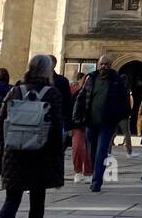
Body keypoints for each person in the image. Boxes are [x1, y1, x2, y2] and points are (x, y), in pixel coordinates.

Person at [0, 52, 64, 218]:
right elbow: (57, 130)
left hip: (15, 155)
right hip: (40, 156)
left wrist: (9, 147)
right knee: (37, 203)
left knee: (11, 201)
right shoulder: (51, 94)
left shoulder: (15, 91)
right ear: (46, 71)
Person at [71, 53, 131, 192]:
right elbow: (81, 97)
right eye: (102, 64)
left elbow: (124, 102)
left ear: (111, 66)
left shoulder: (116, 80)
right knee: (92, 152)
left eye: (107, 64)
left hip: (107, 123)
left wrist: (117, 116)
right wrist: (77, 115)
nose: (104, 67)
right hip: (91, 121)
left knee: (101, 151)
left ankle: (96, 181)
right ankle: (94, 174)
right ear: (98, 65)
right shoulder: (91, 78)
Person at [69, 72, 92, 182]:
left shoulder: (96, 95)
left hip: (92, 125)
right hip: (78, 125)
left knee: (90, 150)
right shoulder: (77, 94)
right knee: (77, 148)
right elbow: (71, 110)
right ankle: (78, 171)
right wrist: (70, 126)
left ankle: (88, 172)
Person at [49, 56, 72, 137]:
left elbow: (67, 101)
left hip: (58, 117)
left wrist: (68, 121)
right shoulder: (36, 80)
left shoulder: (62, 81)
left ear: (54, 64)